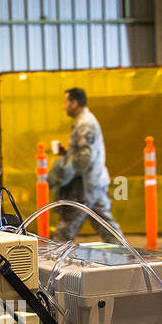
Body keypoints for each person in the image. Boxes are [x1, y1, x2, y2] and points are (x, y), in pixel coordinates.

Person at [47, 87, 122, 242]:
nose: (64, 106)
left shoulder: (84, 124)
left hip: (85, 185)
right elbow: (84, 153)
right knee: (106, 225)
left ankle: (53, 262)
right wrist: (67, 154)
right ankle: (126, 255)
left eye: (65, 102)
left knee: (66, 227)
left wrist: (66, 172)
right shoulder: (85, 121)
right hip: (94, 181)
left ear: (74, 103)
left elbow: (85, 158)